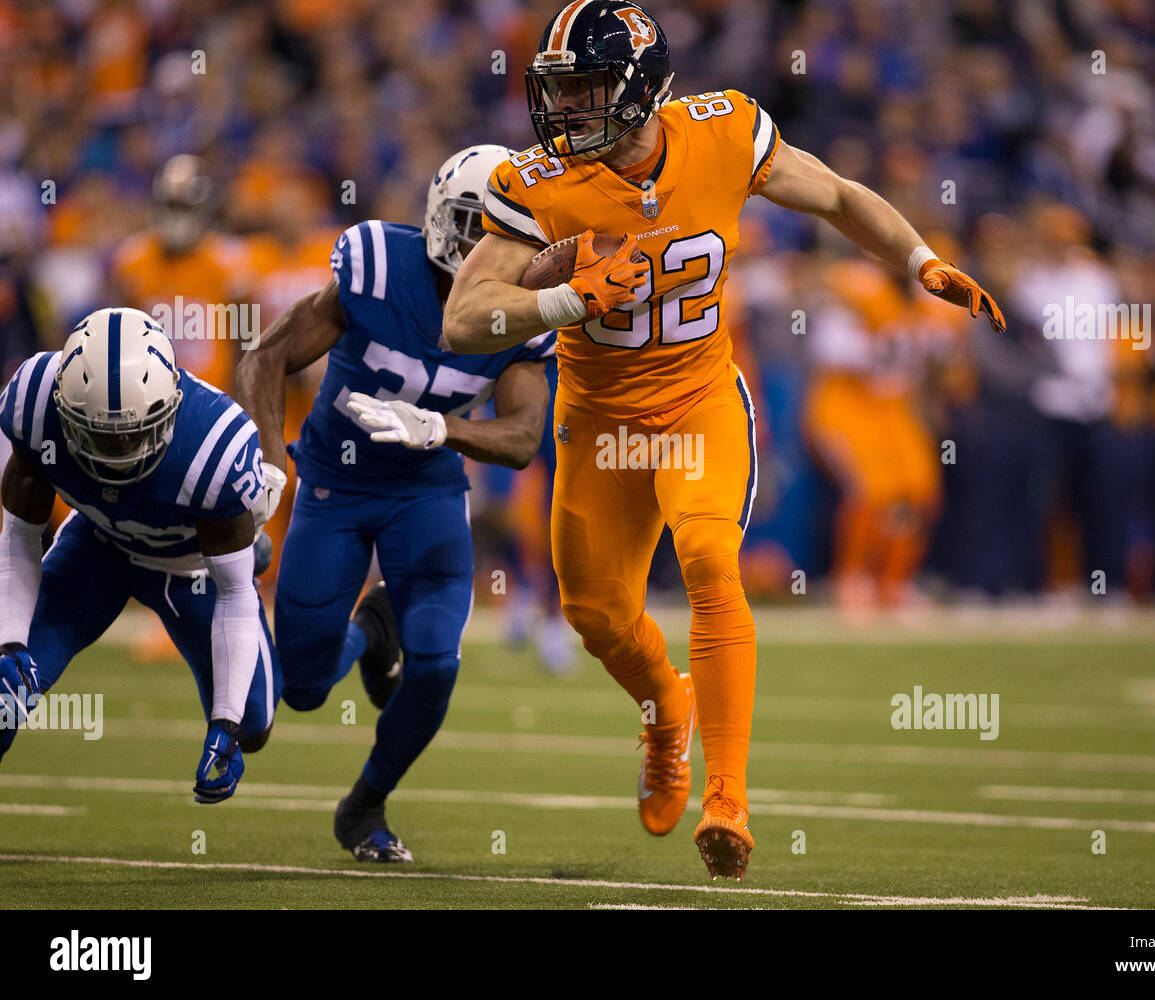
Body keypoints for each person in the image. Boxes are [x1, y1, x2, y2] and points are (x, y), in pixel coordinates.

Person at [440, 0, 1005, 880]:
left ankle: (730, 798)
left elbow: (841, 196)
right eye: (560, 90)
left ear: (640, 87)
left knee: (709, 558)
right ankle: (667, 708)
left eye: (588, 88)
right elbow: (465, 320)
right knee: (595, 616)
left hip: (699, 399)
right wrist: (571, 300)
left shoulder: (726, 129)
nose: (568, 110)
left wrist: (918, 260)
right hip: (596, 423)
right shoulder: (534, 181)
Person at [233, 146, 556, 862]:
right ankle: (374, 634)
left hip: (425, 490)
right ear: (442, 216)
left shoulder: (520, 315)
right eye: (478, 225)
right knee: (306, 687)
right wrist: (263, 461)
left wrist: (443, 428)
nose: (488, 249)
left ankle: (366, 807)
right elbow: (264, 357)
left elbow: (524, 437)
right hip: (333, 485)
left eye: (510, 233)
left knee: (438, 662)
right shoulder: (378, 265)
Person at [0, 307, 277, 802]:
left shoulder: (213, 446)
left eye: (132, 432)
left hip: (188, 569)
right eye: (99, 435)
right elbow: (20, 535)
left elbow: (234, 595)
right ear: (64, 407)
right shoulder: (35, 402)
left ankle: (241, 548)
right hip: (97, 548)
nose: (118, 451)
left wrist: (225, 722)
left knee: (252, 726)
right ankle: (240, 547)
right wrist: (9, 644)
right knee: (5, 694)